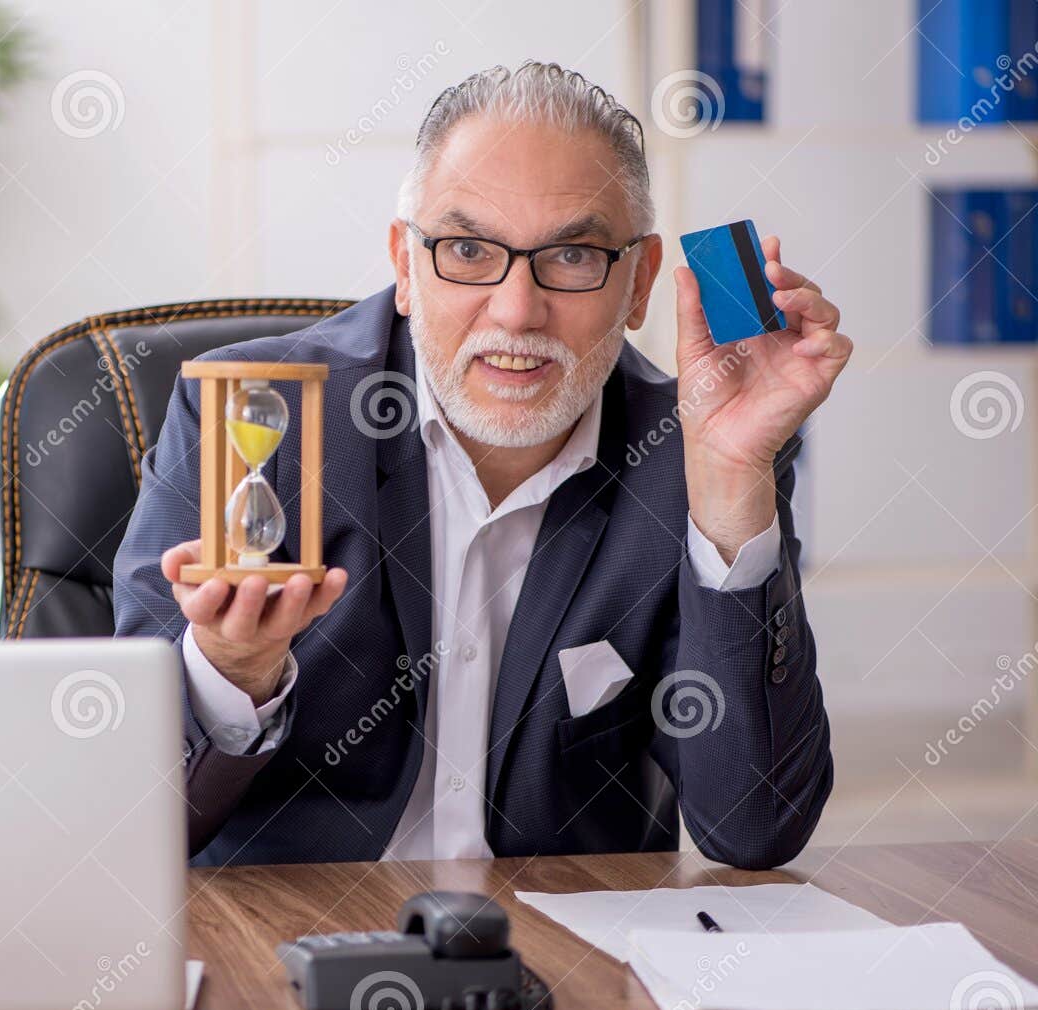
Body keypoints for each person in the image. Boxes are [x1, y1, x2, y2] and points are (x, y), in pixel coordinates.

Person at [113, 62, 850, 869]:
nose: (516, 310)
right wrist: (233, 673)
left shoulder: (691, 452)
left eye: (571, 256)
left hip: (564, 964)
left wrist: (732, 478)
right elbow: (121, 825)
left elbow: (756, 826)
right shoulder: (254, 417)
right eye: (467, 249)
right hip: (290, 952)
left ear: (639, 283)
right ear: (403, 263)